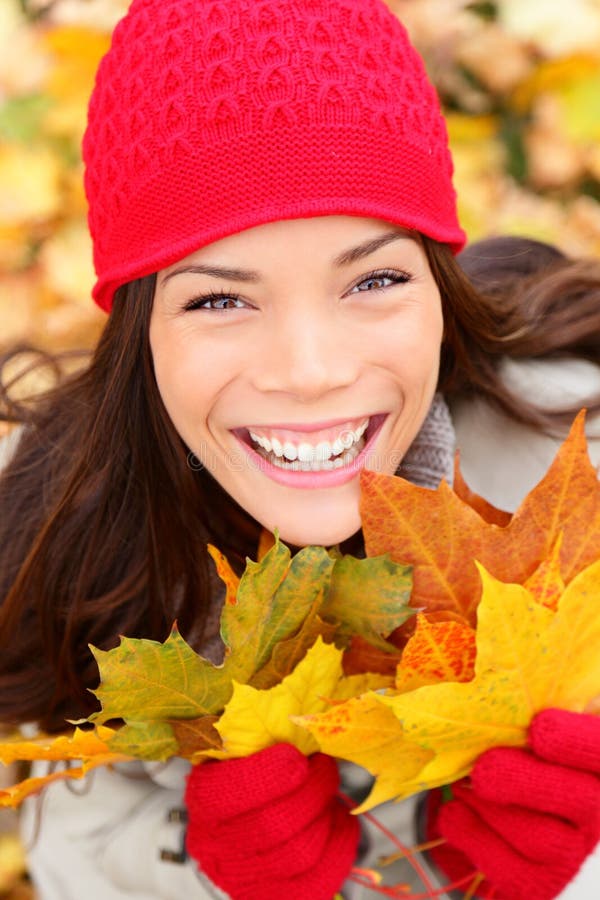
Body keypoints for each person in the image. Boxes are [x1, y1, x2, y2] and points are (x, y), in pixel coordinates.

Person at [0, 1, 599, 898]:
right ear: (140, 329)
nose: (311, 371)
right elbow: (70, 850)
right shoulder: (66, 534)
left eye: (375, 279)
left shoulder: (579, 471)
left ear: (437, 285)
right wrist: (208, 876)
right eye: (219, 300)